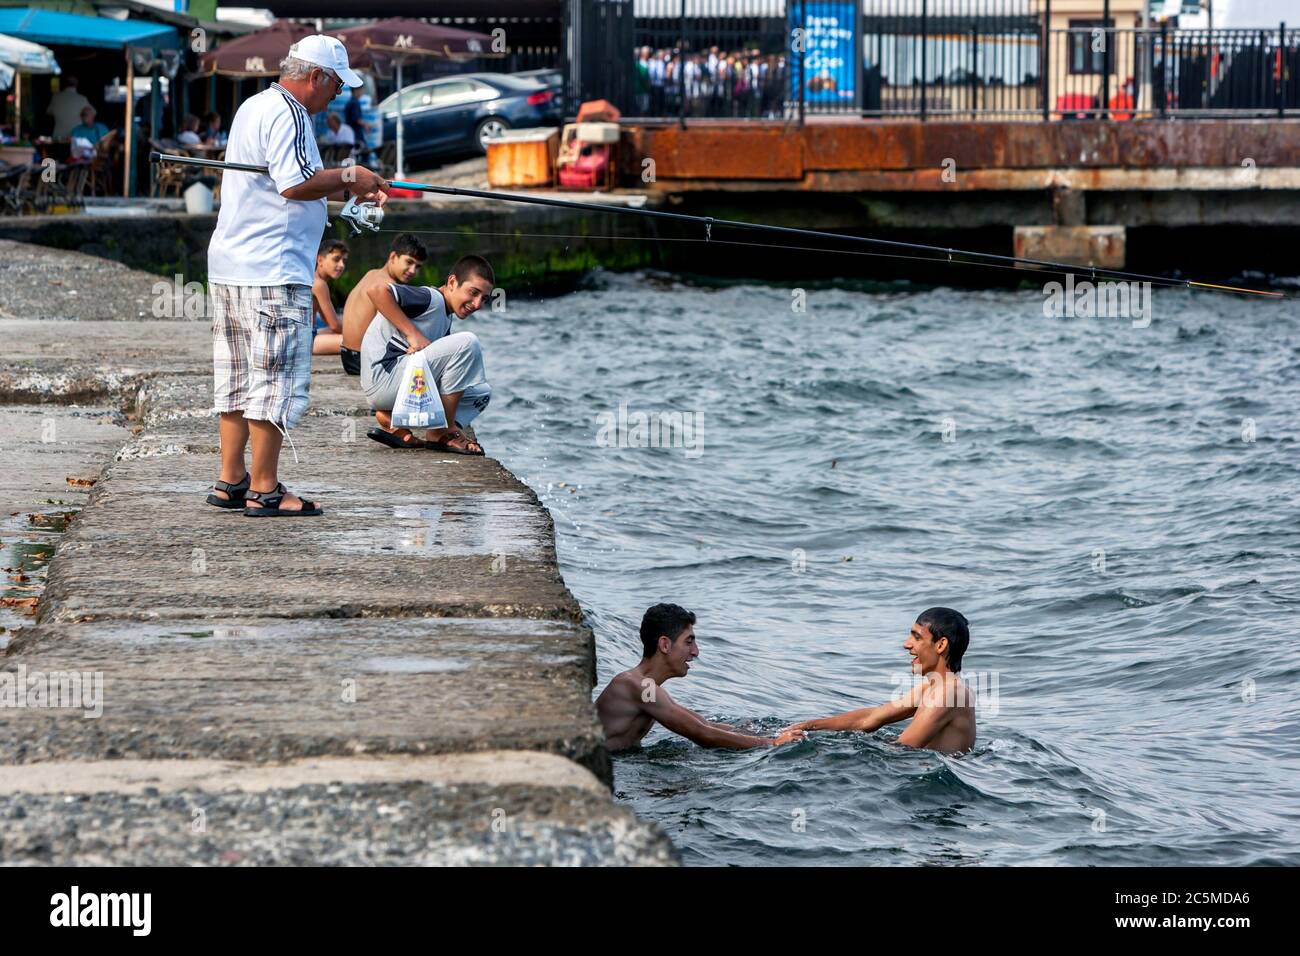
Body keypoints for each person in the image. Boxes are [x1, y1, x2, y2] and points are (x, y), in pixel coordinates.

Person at [205, 35, 388, 517]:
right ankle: (265, 490)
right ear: (316, 77)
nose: (339, 95)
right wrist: (353, 176)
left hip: (233, 266)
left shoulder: (254, 105)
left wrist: (343, 188)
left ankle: (231, 481)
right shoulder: (290, 114)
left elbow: (281, 184)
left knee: (237, 377)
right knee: (273, 382)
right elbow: (293, 184)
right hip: (271, 269)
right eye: (337, 86)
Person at [596, 603, 806, 751]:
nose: (696, 651)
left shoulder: (646, 688)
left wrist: (765, 732)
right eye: (689, 642)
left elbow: (704, 724)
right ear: (665, 645)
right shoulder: (637, 686)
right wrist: (772, 744)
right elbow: (702, 734)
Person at [783, 608, 976, 754]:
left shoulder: (949, 693)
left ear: (941, 645)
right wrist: (808, 726)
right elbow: (870, 719)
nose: (906, 644)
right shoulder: (933, 687)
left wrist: (832, 751)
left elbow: (902, 750)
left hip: (936, 801)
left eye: (916, 637)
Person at [360, 255, 494, 455]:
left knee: (481, 393)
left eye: (484, 298)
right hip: (384, 379)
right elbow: (376, 290)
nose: (476, 304)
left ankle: (395, 418)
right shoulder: (430, 299)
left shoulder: (446, 318)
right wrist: (412, 334)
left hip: (398, 387)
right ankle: (442, 433)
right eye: (473, 293)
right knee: (468, 342)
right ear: (452, 282)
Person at [339, 233, 426, 376]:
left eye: (417, 267)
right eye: (409, 262)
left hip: (347, 357)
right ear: (393, 257)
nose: (412, 271)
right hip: (363, 362)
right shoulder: (387, 286)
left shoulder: (371, 273)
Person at [311, 238, 348, 355]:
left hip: (306, 335)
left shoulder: (314, 279)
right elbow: (335, 325)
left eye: (344, 261)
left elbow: (326, 319)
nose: (341, 265)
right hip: (305, 341)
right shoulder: (319, 284)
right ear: (320, 260)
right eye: (336, 259)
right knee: (358, 341)